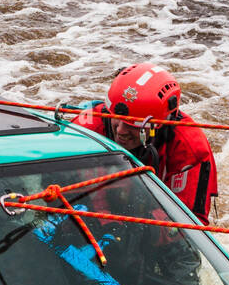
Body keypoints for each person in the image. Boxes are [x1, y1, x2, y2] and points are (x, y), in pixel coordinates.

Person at [76, 64, 218, 225]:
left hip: (150, 223)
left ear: (158, 126)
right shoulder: (86, 130)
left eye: (133, 125)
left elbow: (191, 222)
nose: (121, 131)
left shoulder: (189, 148)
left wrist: (139, 231)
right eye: (117, 118)